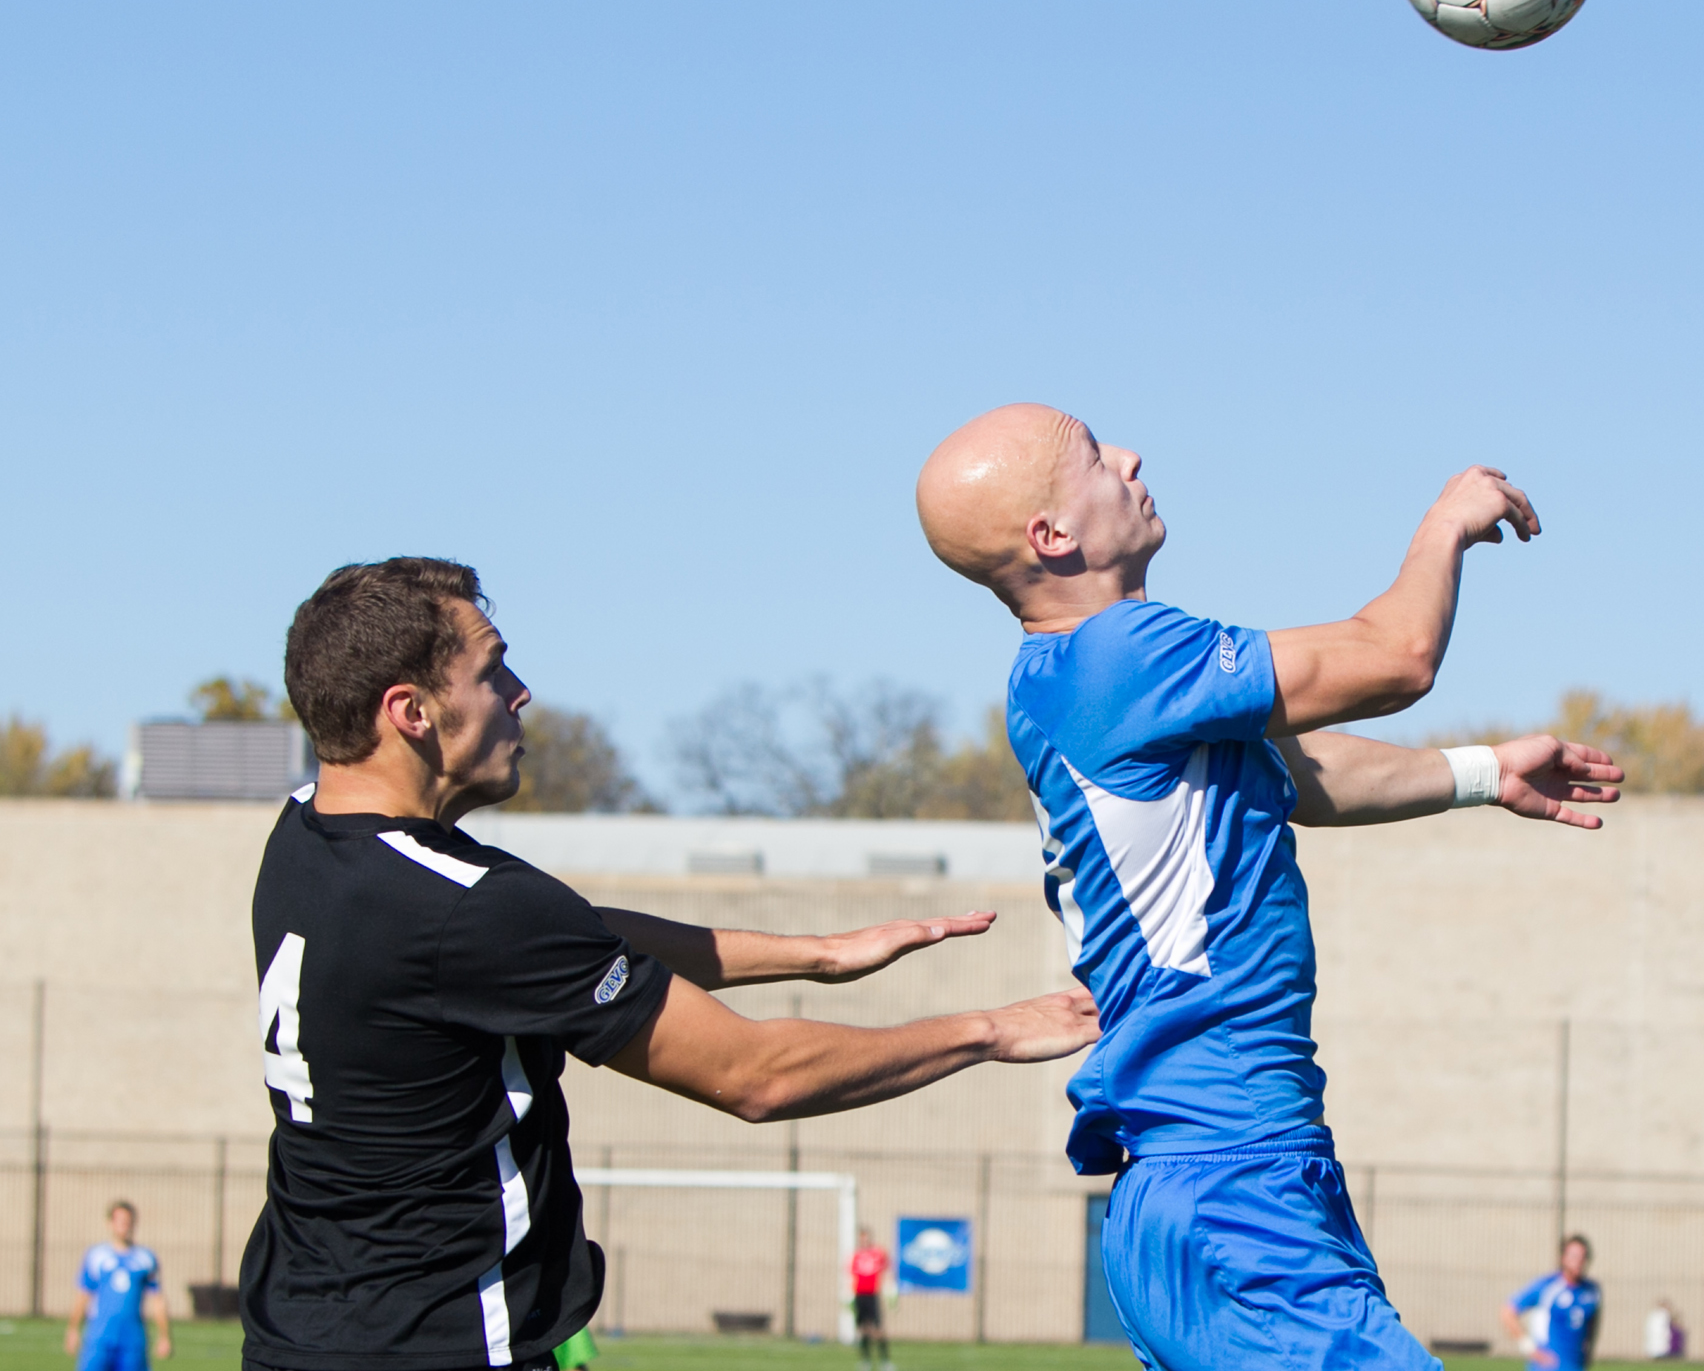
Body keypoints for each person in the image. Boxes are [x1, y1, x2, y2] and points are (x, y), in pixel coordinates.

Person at [241, 558, 1098, 1371]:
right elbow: (757, 1076)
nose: (520, 692)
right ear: (412, 711)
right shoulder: (469, 907)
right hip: (443, 1348)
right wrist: (988, 1030)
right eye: (492, 671)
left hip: (293, 1336)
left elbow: (572, 937)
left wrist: (818, 956)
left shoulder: (306, 836)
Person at [915, 404, 1623, 1370]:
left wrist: (1483, 773)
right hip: (1231, 1181)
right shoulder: (1119, 653)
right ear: (1052, 535)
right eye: (1093, 455)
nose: (1129, 456)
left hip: (1206, 1181)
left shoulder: (1071, 682)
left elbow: (1298, 776)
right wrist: (1448, 521)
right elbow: (1394, 655)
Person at [66, 1202, 170, 1371]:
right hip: (99, 1337)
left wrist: (164, 1336)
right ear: (110, 1223)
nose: (124, 1225)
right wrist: (73, 1329)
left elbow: (157, 1299)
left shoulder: (146, 1258)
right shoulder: (96, 1255)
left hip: (133, 1339)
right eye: (120, 1220)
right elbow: (83, 1295)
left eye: (128, 1221)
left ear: (134, 1223)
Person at [1503, 1237, 1602, 1371]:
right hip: (1547, 1367)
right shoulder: (1548, 1286)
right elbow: (1507, 1312)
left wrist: (1588, 1352)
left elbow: (1593, 1324)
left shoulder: (1592, 1290)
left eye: (1582, 1257)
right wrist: (1529, 1348)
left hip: (1575, 1365)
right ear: (1563, 1258)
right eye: (1574, 1256)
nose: (1578, 1261)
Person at [848, 1227, 893, 1371]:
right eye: (862, 1238)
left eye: (866, 1237)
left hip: (872, 1294)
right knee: (863, 1329)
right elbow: (851, 1275)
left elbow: (887, 1269)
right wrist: (848, 1295)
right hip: (859, 1295)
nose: (864, 1240)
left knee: (878, 1329)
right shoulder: (856, 1255)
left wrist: (890, 1290)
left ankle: (885, 1361)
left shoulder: (878, 1253)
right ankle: (865, 1361)